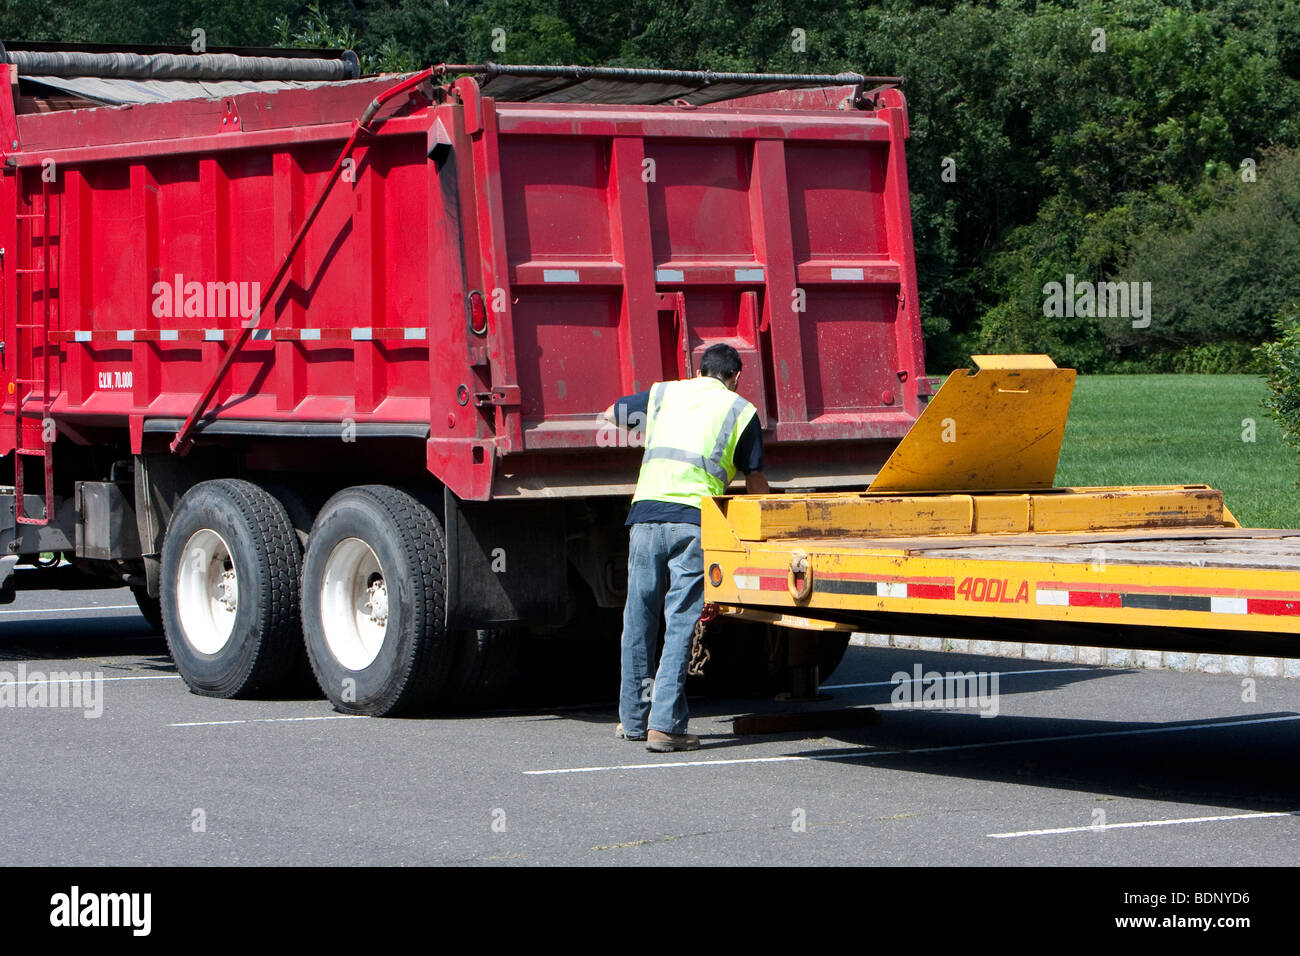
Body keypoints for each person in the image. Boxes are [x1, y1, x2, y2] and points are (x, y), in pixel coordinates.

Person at [600, 343, 770, 752]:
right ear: (736, 377)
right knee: (680, 620)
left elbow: (611, 414)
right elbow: (756, 481)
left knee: (638, 617)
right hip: (693, 521)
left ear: (699, 370)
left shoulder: (665, 394)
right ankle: (666, 725)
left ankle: (633, 720)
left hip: (643, 518)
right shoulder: (741, 410)